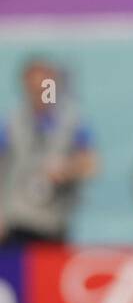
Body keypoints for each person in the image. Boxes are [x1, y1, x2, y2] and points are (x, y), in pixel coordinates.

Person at [0, 58, 98, 247]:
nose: (39, 93)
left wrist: (68, 169)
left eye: (45, 86)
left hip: (54, 220)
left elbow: (92, 164)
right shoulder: (12, 123)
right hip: (17, 220)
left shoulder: (72, 123)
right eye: (33, 87)